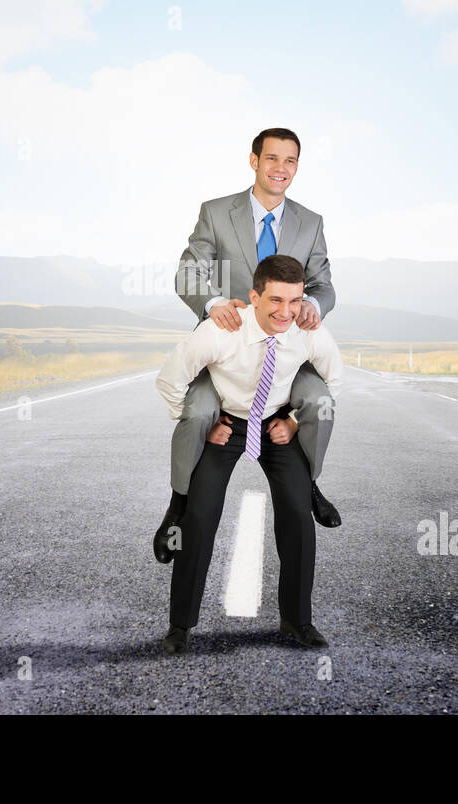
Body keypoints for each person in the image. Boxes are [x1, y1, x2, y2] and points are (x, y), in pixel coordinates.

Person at [153, 127, 340, 568]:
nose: (281, 169)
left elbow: (325, 286)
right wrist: (214, 304)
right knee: (198, 413)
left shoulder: (311, 222)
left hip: (285, 347)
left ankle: (308, 482)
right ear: (253, 160)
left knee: (322, 403)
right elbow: (187, 273)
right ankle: (178, 503)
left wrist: (311, 304)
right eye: (272, 158)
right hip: (228, 348)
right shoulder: (217, 213)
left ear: (297, 167)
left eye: (290, 161)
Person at [154, 254, 343, 654]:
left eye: (294, 301)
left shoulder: (308, 330)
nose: (286, 312)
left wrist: (292, 421)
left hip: (275, 423)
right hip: (228, 423)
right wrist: (205, 427)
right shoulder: (220, 331)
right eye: (275, 300)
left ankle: (297, 621)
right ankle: (180, 627)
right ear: (254, 297)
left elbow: (334, 381)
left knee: (296, 515)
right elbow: (170, 379)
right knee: (199, 518)